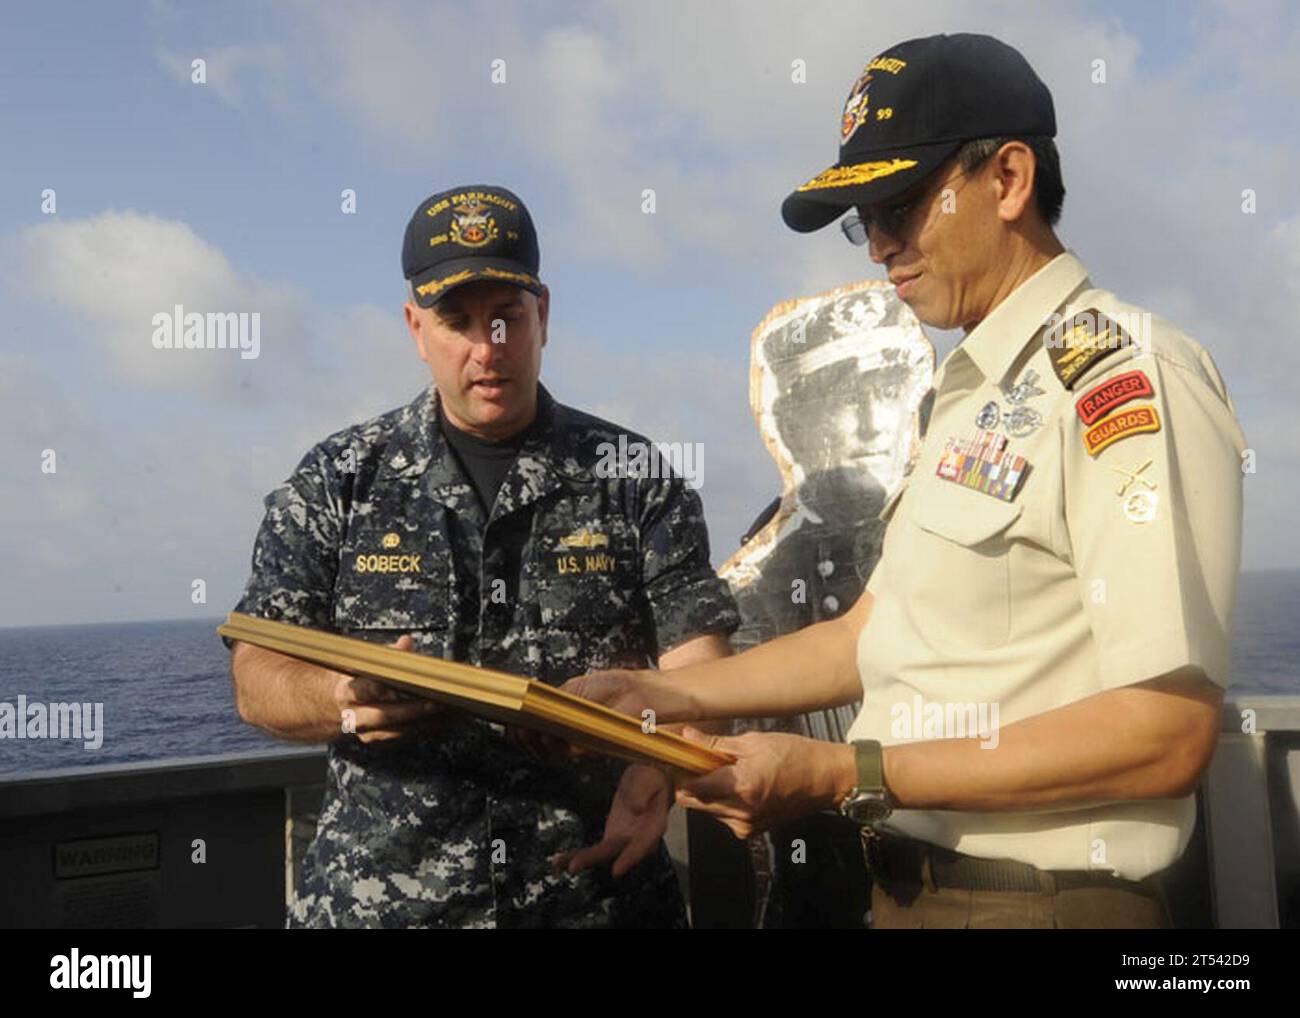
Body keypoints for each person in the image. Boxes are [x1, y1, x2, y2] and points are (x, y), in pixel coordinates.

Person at [564, 33, 1245, 929]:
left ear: (1008, 181)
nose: (880, 245)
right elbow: (871, 636)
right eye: (866, 219)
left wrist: (847, 773)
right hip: (909, 893)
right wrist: (662, 695)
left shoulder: (1122, 380)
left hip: (1041, 905)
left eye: (900, 205)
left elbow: (1166, 733)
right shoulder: (970, 396)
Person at [225, 184, 738, 928]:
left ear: (545, 317)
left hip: (597, 897)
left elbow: (701, 657)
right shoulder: (338, 479)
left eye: (508, 318)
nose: (487, 347)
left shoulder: (632, 474)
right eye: (458, 321)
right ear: (414, 326)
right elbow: (257, 671)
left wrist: (656, 765)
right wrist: (341, 696)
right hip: (384, 906)